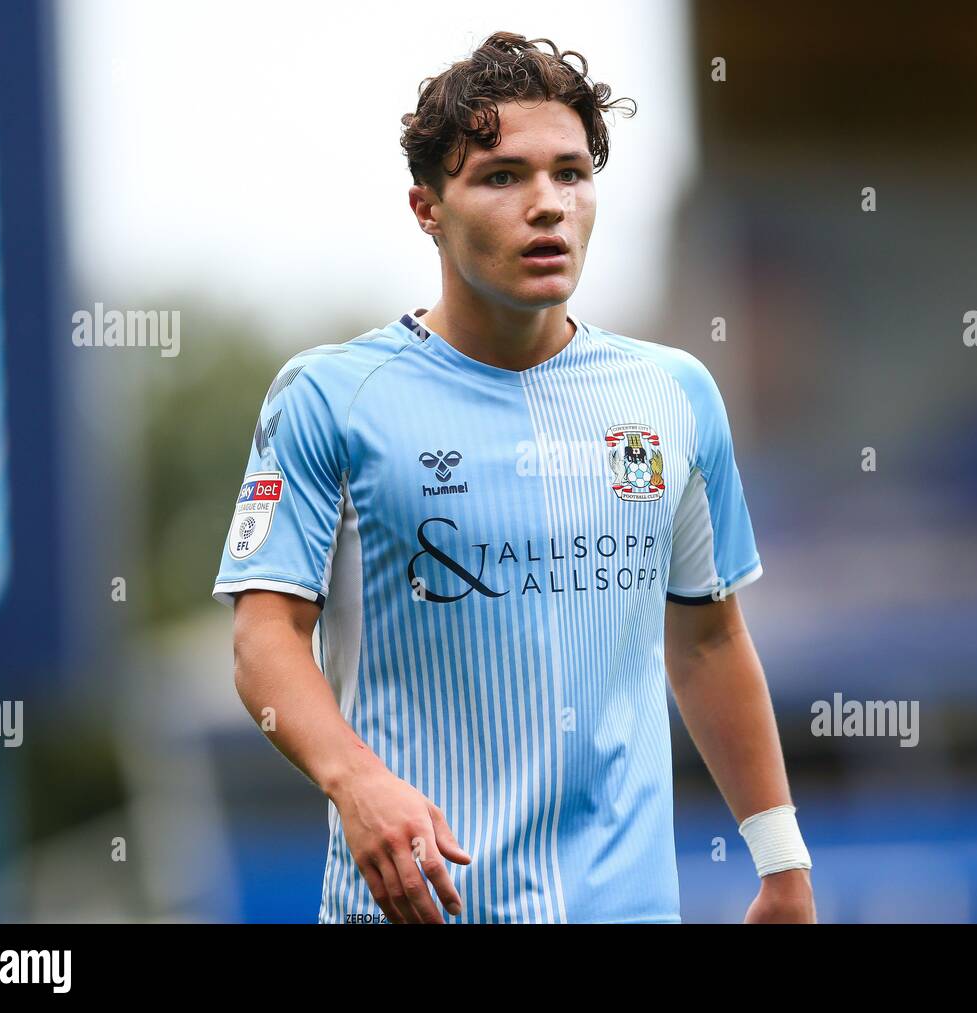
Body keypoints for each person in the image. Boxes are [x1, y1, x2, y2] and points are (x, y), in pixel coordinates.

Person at [212, 30, 815, 924]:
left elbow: (709, 640)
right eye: (502, 176)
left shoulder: (673, 393)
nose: (548, 205)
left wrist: (782, 863)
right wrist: (358, 782)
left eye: (571, 174)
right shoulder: (331, 397)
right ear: (427, 207)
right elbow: (263, 640)